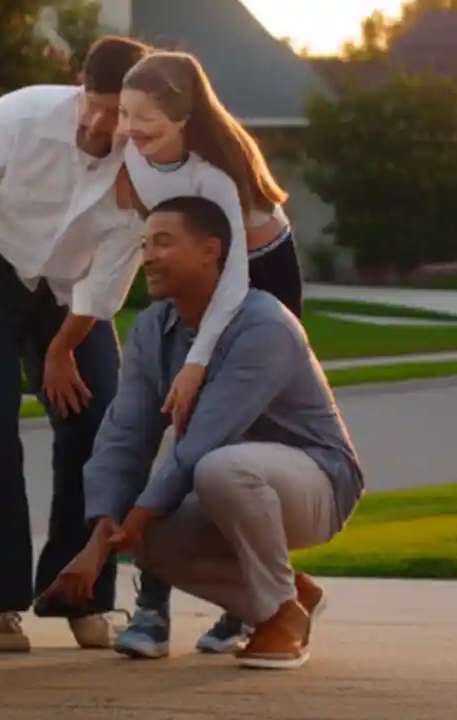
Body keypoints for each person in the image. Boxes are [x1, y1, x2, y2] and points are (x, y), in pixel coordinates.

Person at [38, 195, 364, 669]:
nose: (147, 256)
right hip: (227, 480)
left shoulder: (263, 325)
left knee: (219, 467)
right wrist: (102, 537)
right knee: (147, 540)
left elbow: (203, 442)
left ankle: (279, 620)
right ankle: (291, 596)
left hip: (317, 482)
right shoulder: (154, 328)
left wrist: (132, 522)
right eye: (145, 244)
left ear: (211, 251)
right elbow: (126, 433)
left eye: (164, 242)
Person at [0, 35, 151, 652]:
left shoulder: (143, 160)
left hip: (73, 296)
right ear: (80, 84)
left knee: (98, 425)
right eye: (96, 104)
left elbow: (111, 275)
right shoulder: (14, 119)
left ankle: (78, 595)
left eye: (118, 112)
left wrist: (62, 349)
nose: (103, 123)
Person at [110, 50, 309, 658]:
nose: (131, 131)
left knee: (225, 440)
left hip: (257, 275)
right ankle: (154, 613)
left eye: (147, 120)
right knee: (165, 429)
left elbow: (232, 279)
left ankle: (240, 609)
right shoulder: (134, 155)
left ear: (184, 118)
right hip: (205, 274)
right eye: (126, 115)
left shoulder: (214, 174)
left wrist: (197, 365)